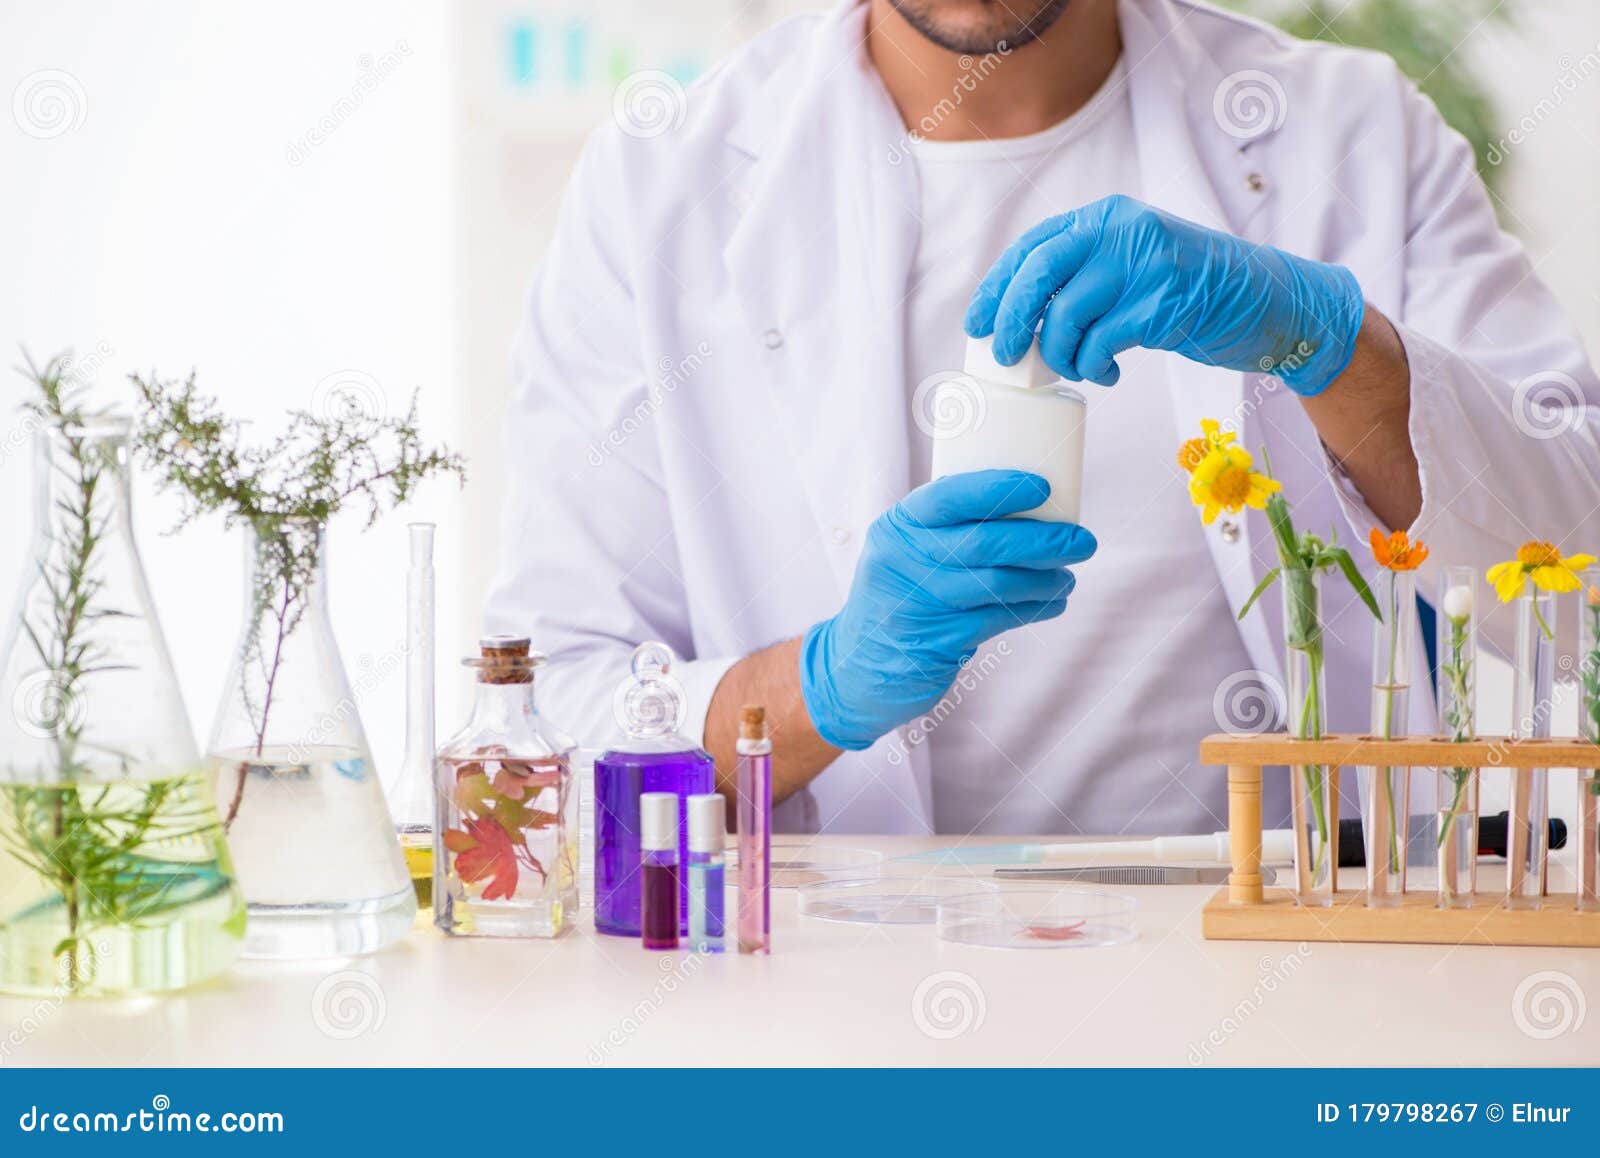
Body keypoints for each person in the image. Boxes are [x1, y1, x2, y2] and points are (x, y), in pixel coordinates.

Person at [487, 0, 1600, 836]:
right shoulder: (658, 185)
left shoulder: (1350, 135)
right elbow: (542, 728)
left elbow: (1582, 578)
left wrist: (1325, 340)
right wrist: (820, 689)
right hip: (839, 999)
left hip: (1277, 963)